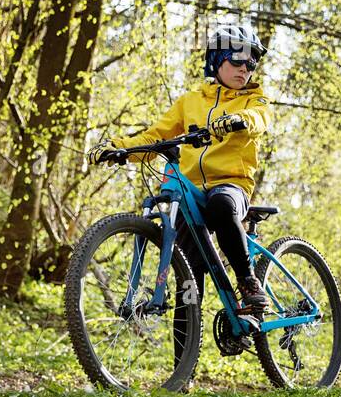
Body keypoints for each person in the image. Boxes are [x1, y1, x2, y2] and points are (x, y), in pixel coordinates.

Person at [88, 24, 273, 333]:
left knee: (221, 205)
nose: (245, 68)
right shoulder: (190, 102)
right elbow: (155, 136)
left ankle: (248, 281)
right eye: (237, 60)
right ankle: (181, 374)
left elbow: (259, 120)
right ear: (216, 60)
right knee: (188, 280)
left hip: (232, 185)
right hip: (189, 193)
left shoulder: (254, 101)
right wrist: (117, 149)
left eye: (252, 62)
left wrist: (238, 120)